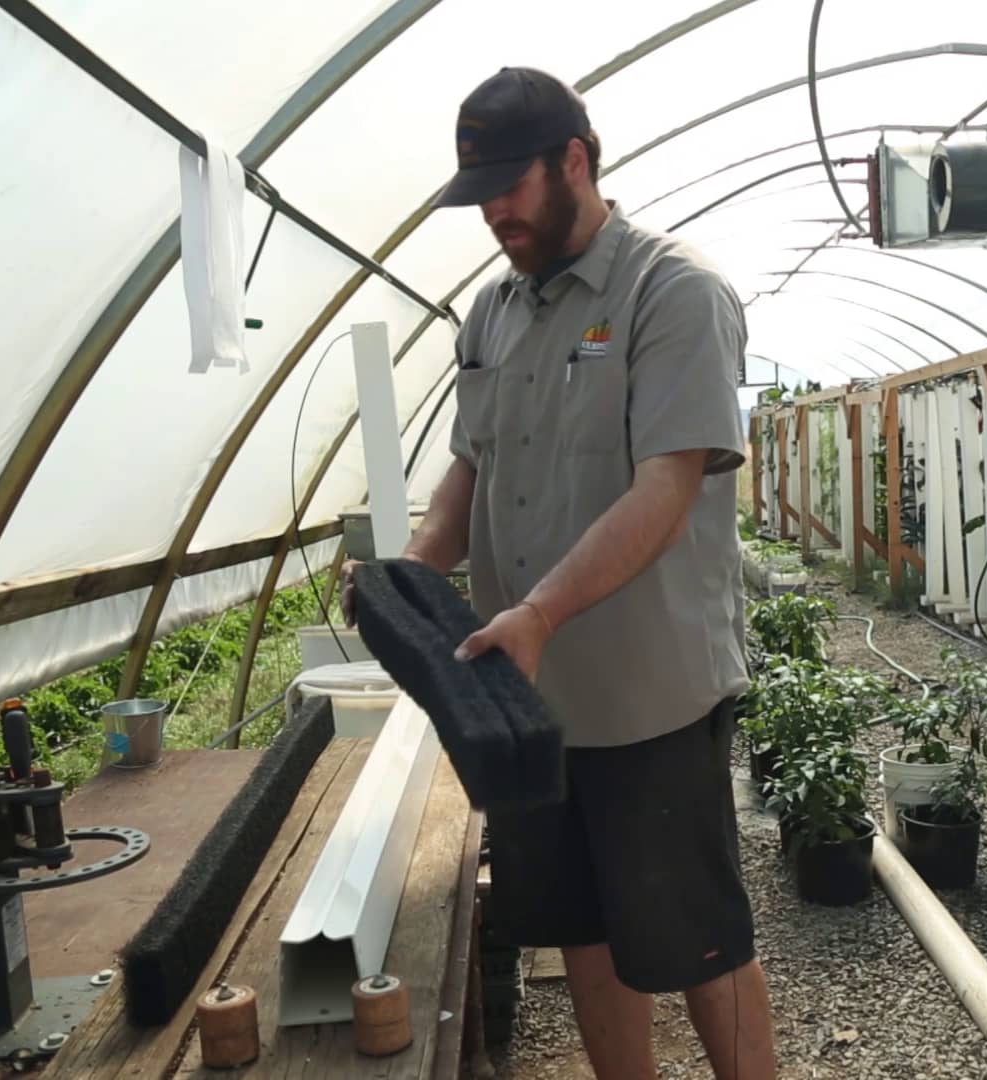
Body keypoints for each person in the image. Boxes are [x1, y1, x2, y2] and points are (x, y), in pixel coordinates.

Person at [340, 66, 775, 1079]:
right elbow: (469, 473)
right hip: (530, 705)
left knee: (701, 941)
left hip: (650, 697)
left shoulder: (674, 294)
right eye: (478, 192)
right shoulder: (492, 313)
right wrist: (408, 576)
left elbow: (666, 489)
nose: (493, 212)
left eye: (510, 184)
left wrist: (537, 611)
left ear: (573, 160)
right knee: (584, 931)